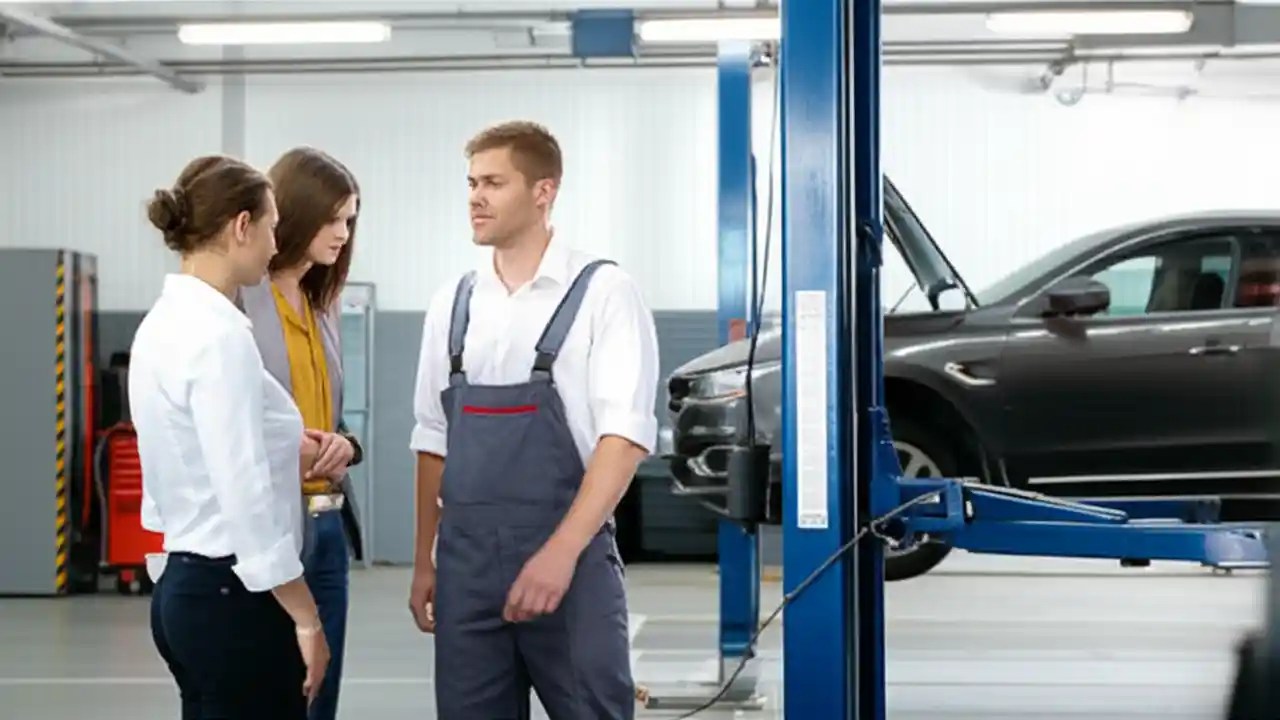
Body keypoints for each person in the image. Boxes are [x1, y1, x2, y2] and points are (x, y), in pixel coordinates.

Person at [407, 120, 661, 719]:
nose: (475, 197)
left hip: (567, 554)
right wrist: (425, 560)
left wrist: (560, 554)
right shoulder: (453, 303)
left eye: (493, 183)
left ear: (544, 192)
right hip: (465, 565)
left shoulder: (604, 292)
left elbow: (622, 440)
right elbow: (432, 439)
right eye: (471, 183)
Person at [130, 155, 329, 719]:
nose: (274, 246)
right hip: (234, 597)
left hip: (185, 587)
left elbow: (167, 469)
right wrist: (306, 616)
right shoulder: (220, 338)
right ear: (242, 226)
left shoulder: (160, 326)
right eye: (270, 228)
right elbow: (245, 498)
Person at [236, 146, 364, 720]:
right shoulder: (241, 298)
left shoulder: (323, 303)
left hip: (327, 527)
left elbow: (330, 417)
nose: (342, 233)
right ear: (294, 213)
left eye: (349, 220)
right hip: (270, 525)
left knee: (320, 699)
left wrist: (348, 447)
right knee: (270, 694)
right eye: (333, 218)